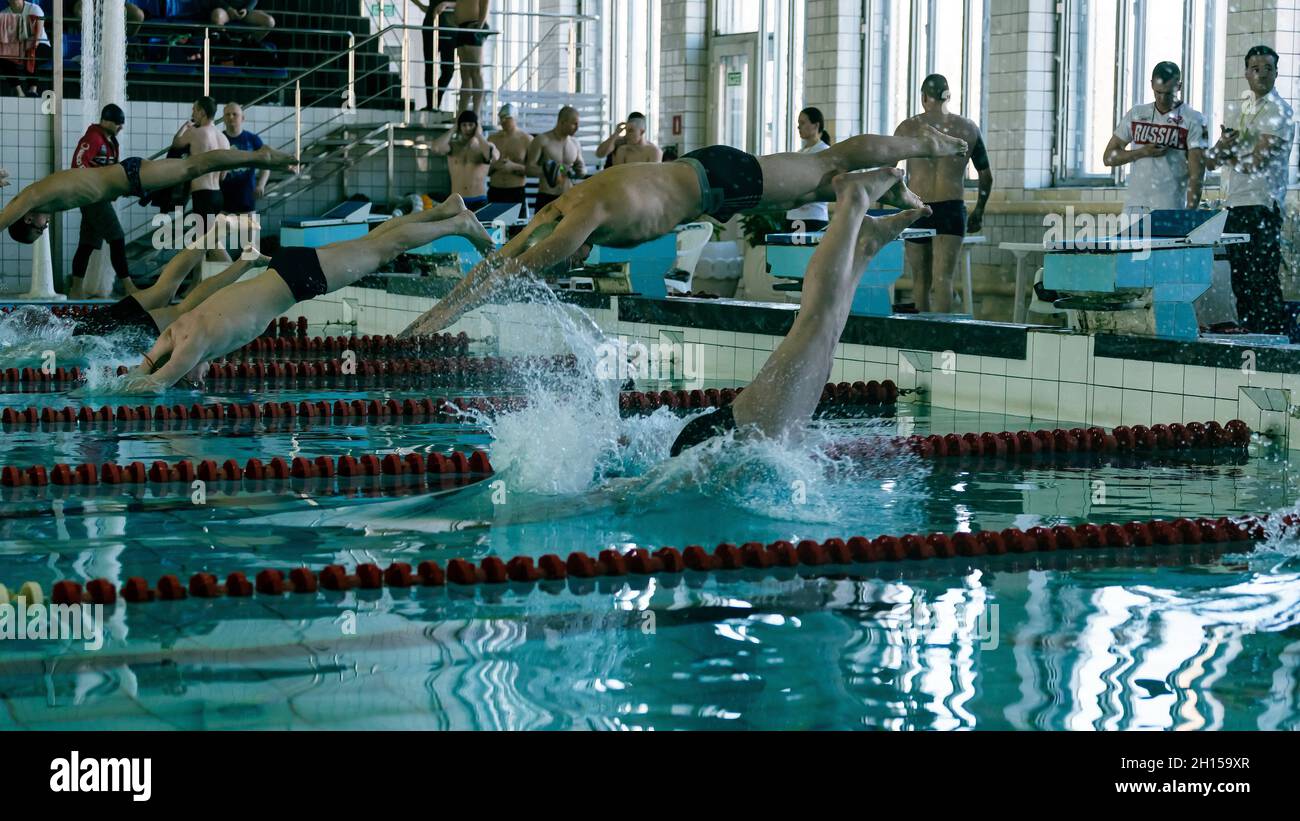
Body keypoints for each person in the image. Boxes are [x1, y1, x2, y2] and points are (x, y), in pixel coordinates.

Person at [401, 125, 968, 336]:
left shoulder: (577, 219)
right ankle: (888, 182)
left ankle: (923, 147)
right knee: (822, 180)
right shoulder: (567, 205)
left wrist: (448, 315)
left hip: (715, 180)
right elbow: (507, 256)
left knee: (826, 168)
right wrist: (431, 318)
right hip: (703, 172)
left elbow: (522, 264)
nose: (571, 264)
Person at [672, 171, 929, 454]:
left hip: (725, 439)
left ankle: (852, 202)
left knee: (815, 325)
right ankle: (866, 246)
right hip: (726, 444)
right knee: (824, 343)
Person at [124, 197, 495, 390]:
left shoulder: (194, 347)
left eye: (195, 378)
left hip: (299, 280)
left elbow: (157, 381)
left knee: (387, 247)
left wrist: (107, 396)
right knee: (375, 241)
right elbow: (149, 361)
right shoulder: (178, 330)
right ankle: (447, 210)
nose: (202, 381)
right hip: (286, 269)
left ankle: (457, 223)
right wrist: (131, 373)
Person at [1, 144, 297, 243]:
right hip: (131, 184)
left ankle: (259, 156)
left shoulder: (32, 197)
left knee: (193, 167)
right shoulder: (47, 201)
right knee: (190, 171)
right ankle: (256, 157)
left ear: (27, 219)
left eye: (39, 230)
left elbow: (8, 212)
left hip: (130, 176)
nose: (45, 227)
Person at [1205, 45, 1295, 336]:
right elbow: (1213, 160)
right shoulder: (1247, 111)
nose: (1262, 74)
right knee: (1241, 281)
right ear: (1246, 73)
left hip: (1261, 206)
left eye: (1268, 68)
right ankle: (1253, 338)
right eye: (1256, 68)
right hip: (1236, 205)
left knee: (1261, 281)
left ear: (1276, 73)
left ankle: (1270, 340)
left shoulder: (1278, 111)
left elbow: (1257, 163)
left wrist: (1228, 152)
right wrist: (1224, 146)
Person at [895, 74, 992, 314]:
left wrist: (891, 201)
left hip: (916, 207)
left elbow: (890, 170)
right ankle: (941, 338)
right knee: (943, 280)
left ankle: (921, 338)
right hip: (951, 207)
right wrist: (979, 210)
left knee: (920, 280)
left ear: (923, 97)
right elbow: (986, 175)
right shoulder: (967, 127)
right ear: (947, 96)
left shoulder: (908, 127)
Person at [73, 231, 266, 341]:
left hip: (113, 334)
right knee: (163, 288)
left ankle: (245, 261)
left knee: (181, 308)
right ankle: (214, 234)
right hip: (96, 323)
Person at [1105, 62, 1208, 213]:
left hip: (1170, 205)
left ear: (1179, 87)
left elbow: (1197, 173)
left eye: (1168, 93)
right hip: (1134, 204)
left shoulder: (1193, 119)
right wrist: (1142, 152)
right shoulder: (1136, 114)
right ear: (1151, 84)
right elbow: (1108, 158)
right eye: (1158, 92)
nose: (1162, 98)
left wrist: (1190, 213)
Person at [68, 104, 133, 300]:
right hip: (93, 197)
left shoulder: (109, 140)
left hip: (99, 197)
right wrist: (91, 188)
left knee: (86, 244)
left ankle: (76, 289)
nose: (120, 128)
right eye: (117, 124)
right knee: (117, 237)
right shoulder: (93, 138)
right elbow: (78, 164)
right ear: (106, 121)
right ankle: (129, 286)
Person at [172, 96, 232, 263]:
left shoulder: (195, 133)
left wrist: (185, 126)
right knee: (201, 242)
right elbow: (224, 174)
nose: (192, 113)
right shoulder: (223, 139)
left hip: (203, 195)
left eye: (194, 110)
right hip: (217, 195)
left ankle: (238, 275)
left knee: (210, 243)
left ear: (202, 112)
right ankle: (197, 282)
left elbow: (176, 143)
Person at [431, 110, 498, 211]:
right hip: (457, 200)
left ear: (476, 126)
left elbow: (493, 156)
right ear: (460, 127)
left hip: (479, 200)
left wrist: (479, 135)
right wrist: (453, 128)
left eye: (471, 125)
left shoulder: (484, 147)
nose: (467, 128)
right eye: (464, 125)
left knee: (478, 227)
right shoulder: (453, 146)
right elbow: (435, 148)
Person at [526, 106, 585, 212]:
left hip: (568, 196)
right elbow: (529, 168)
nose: (577, 128)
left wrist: (580, 171)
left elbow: (582, 170)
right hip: (547, 196)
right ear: (562, 122)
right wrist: (555, 170)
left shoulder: (575, 143)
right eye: (574, 124)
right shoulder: (542, 140)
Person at [784, 107, 832, 233]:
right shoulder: (800, 153)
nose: (799, 127)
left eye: (803, 123)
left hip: (814, 215)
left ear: (816, 125)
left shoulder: (825, 151)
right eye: (798, 123)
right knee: (792, 252)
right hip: (793, 215)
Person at [219, 102, 268, 222]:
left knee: (249, 240)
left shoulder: (253, 139)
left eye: (235, 114)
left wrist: (261, 184)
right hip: (222, 200)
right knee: (217, 239)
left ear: (242, 118)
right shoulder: (218, 139)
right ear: (223, 118)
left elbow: (266, 165)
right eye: (227, 114)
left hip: (247, 199)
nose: (231, 117)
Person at [413, 1, 457, 112]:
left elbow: (465, 3)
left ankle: (435, 100)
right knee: (430, 67)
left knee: (449, 70)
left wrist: (447, 4)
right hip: (431, 24)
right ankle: (431, 104)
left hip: (449, 27)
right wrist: (421, 6)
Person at [487, 103, 532, 210]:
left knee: (517, 226)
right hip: (495, 190)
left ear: (515, 117)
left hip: (516, 191)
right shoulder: (492, 139)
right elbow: (482, 169)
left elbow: (534, 170)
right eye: (501, 117)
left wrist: (514, 166)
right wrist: (494, 166)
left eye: (507, 118)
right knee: (493, 226)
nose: (503, 121)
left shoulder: (526, 140)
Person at [0, 0, 48, 98]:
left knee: (31, 52)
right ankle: (18, 91)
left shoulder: (34, 9)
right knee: (3, 56)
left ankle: (32, 89)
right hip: (16, 47)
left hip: (40, 45)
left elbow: (37, 38)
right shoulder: (3, 13)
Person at [454, 0, 492, 115]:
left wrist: (479, 26)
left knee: (475, 72)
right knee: (465, 73)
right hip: (462, 27)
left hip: (474, 25)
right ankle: (462, 113)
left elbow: (485, 2)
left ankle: (476, 113)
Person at [595, 112, 662, 167]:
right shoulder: (620, 144)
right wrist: (615, 134)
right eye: (626, 131)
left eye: (631, 130)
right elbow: (599, 154)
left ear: (641, 132)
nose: (627, 135)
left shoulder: (653, 150)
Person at [201, 1, 275, 43]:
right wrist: (228, 9)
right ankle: (226, 47)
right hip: (224, 9)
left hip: (244, 12)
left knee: (269, 22)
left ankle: (247, 45)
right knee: (217, 16)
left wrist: (246, 10)